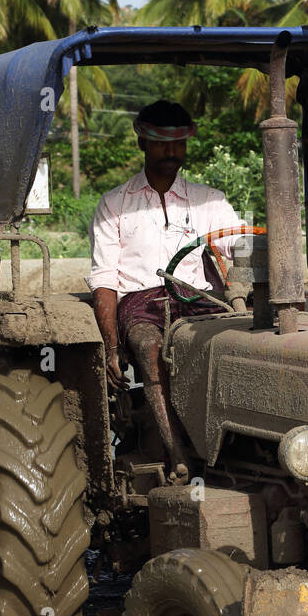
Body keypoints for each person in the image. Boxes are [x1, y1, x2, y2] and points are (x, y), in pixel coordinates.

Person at [88, 99, 244, 479]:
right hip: (139, 302)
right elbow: (105, 279)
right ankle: (178, 455)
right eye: (161, 144)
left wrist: (256, 250)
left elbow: (238, 245)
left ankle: (233, 449)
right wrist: (111, 347)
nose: (171, 153)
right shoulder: (113, 205)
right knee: (148, 346)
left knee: (234, 344)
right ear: (142, 143)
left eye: (178, 144)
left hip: (197, 298)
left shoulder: (212, 201)